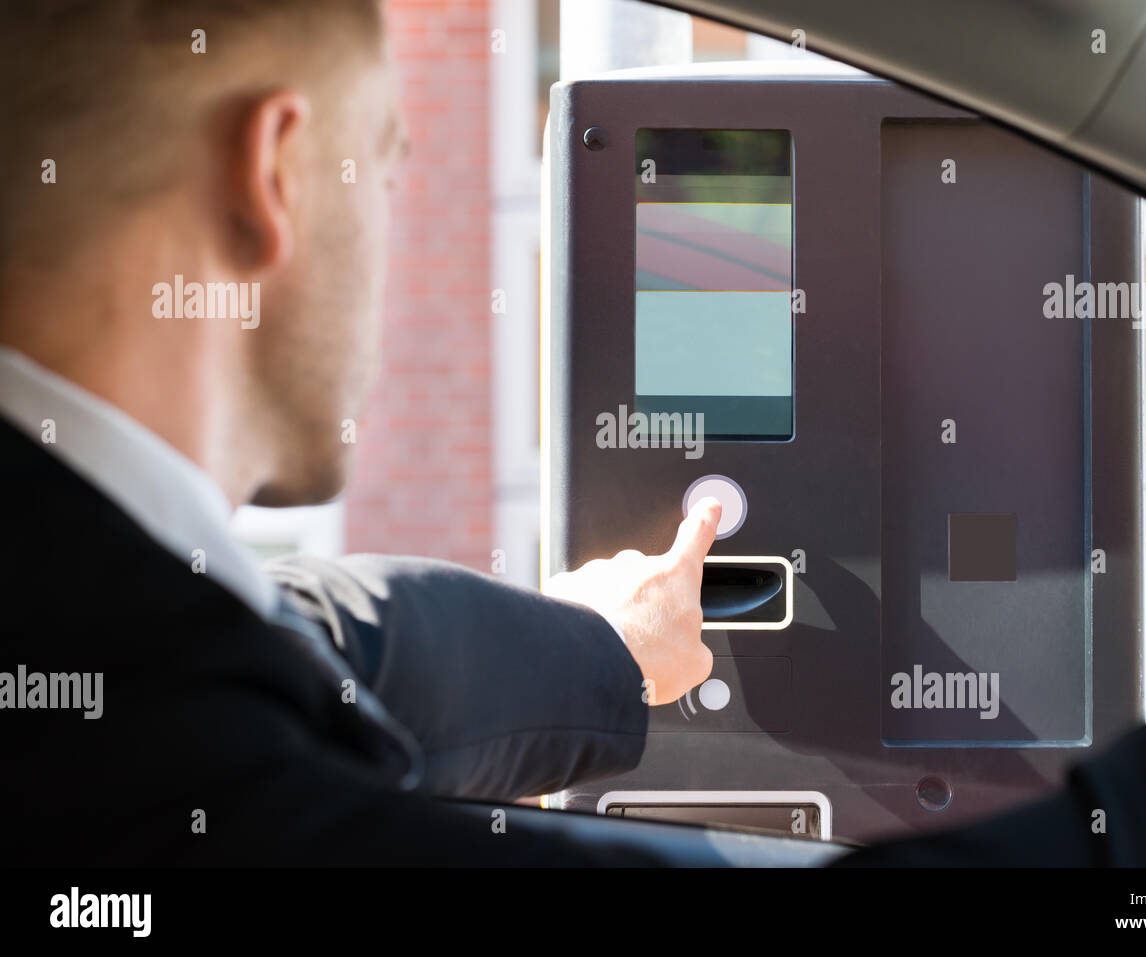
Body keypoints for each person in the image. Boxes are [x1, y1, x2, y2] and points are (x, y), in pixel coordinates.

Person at [0, 0, 719, 865]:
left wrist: (604, 649)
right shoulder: (187, 782)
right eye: (385, 168)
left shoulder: (75, 598)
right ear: (276, 171)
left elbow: (315, 632)